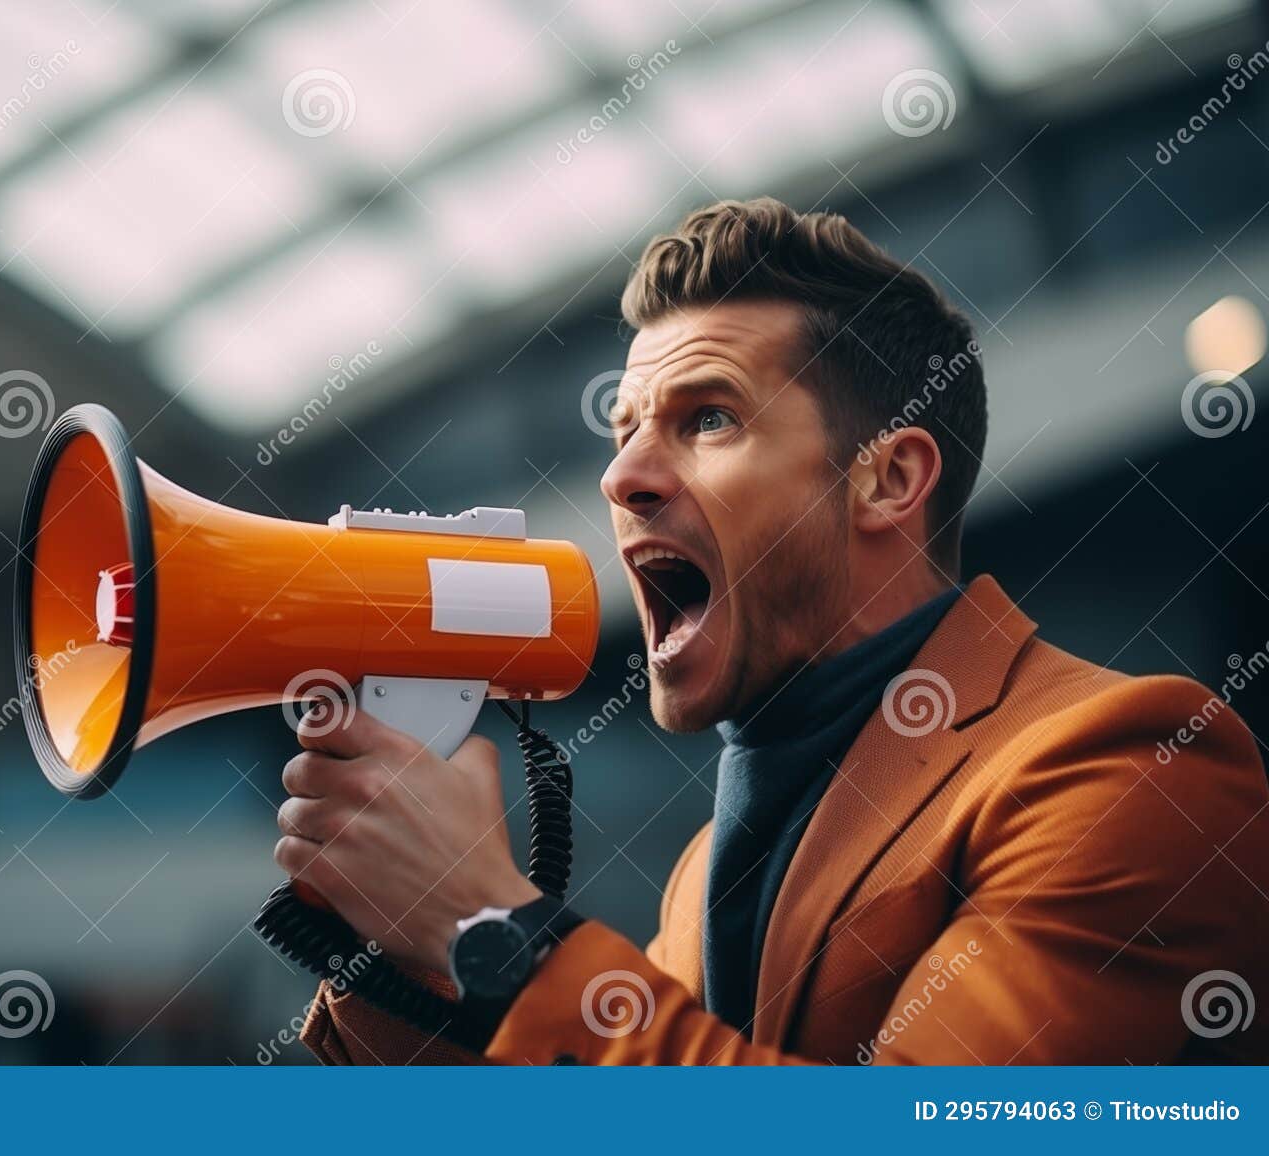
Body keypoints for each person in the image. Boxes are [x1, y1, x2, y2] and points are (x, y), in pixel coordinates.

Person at [273, 198, 1269, 1065]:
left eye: (706, 418)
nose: (622, 477)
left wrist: (487, 922)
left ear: (887, 478)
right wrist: (399, 938)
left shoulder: (1129, 767)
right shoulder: (707, 864)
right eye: (622, 430)